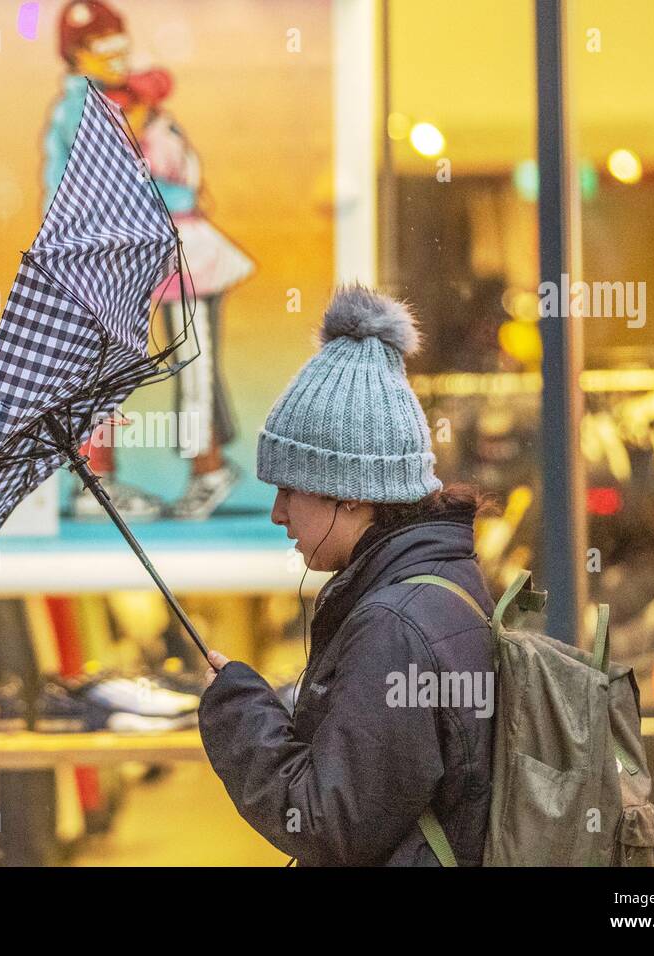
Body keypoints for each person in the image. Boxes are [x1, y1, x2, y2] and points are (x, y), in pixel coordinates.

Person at [197, 285, 495, 866]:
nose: (278, 513)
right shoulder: (437, 582)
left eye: (290, 491)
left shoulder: (393, 626)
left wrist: (237, 714)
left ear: (351, 494)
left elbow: (330, 824)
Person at [44, 0, 252, 522]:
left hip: (175, 248)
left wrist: (142, 104)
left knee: (192, 363)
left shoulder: (133, 100)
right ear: (77, 55)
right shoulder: (82, 109)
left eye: (118, 43)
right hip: (110, 254)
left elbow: (179, 170)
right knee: (101, 366)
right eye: (99, 46)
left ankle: (207, 468)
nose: (115, 54)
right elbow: (83, 181)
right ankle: (98, 481)